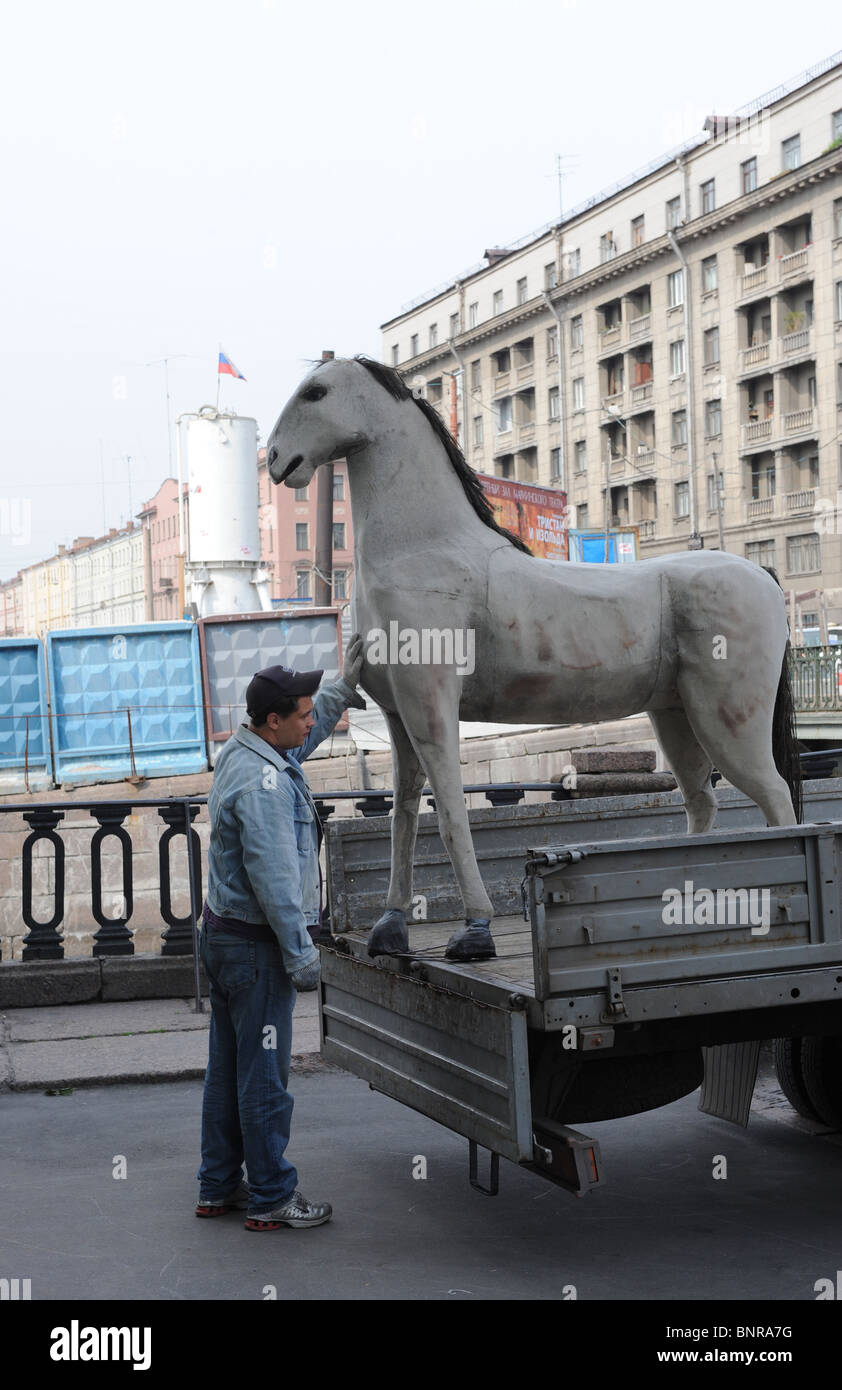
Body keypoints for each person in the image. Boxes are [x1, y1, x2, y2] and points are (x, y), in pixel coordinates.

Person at [195, 633, 366, 1231]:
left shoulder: (248, 753)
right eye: (300, 714)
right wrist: (303, 961)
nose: (310, 723)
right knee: (265, 1076)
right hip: (256, 949)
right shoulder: (266, 787)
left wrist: (344, 685)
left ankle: (218, 1186)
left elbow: (306, 735)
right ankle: (271, 1196)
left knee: (227, 1069)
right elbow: (276, 884)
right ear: (273, 720)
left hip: (223, 939)